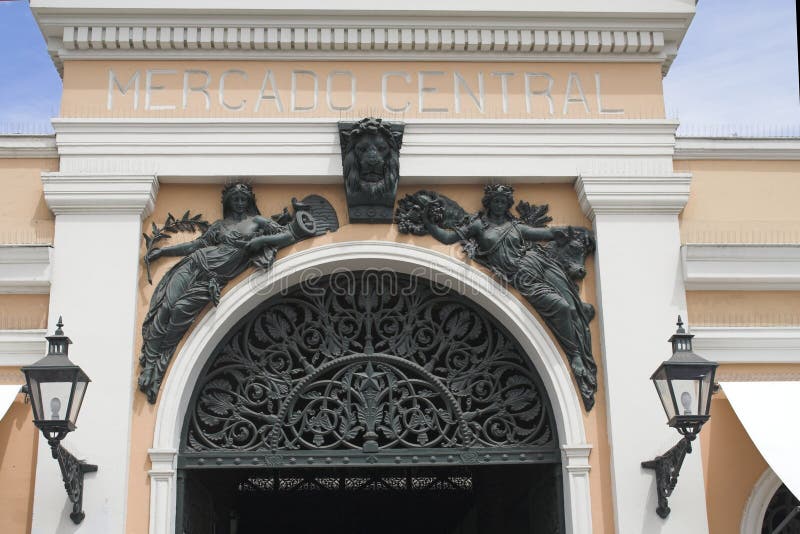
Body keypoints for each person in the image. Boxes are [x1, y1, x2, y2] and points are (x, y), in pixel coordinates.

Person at [422, 184, 597, 409]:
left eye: (503, 202)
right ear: (489, 203)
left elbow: (547, 234)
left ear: (507, 205)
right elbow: (448, 238)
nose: (499, 205)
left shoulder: (515, 226)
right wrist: (429, 223)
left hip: (538, 265)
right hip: (522, 278)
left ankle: (579, 350)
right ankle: (575, 355)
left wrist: (572, 232)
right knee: (561, 307)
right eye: (496, 201)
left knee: (572, 307)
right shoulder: (478, 225)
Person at [138, 182, 297, 403]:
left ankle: (159, 364)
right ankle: (150, 365)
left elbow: (288, 235)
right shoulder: (219, 226)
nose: (239, 203)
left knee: (180, 311)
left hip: (212, 279)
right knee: (165, 307)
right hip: (194, 264)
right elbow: (194, 246)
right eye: (235, 199)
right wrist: (163, 251)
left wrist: (262, 239)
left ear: (249, 202)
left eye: (243, 199)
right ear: (228, 202)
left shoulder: (258, 222)